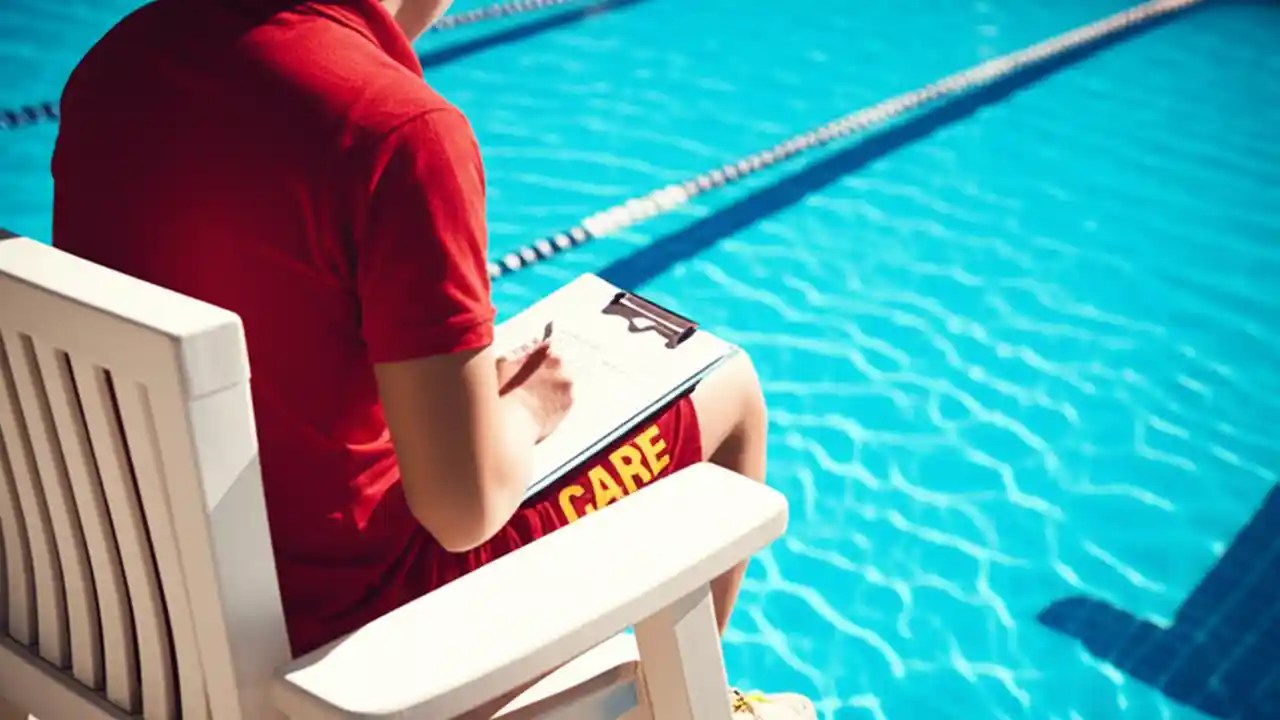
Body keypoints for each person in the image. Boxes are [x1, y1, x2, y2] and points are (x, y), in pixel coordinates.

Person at [52, 0, 815, 716]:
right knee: (727, 385)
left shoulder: (119, 63)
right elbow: (461, 511)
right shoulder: (395, 131)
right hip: (339, 634)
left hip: (142, 601)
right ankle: (687, 703)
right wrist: (526, 407)